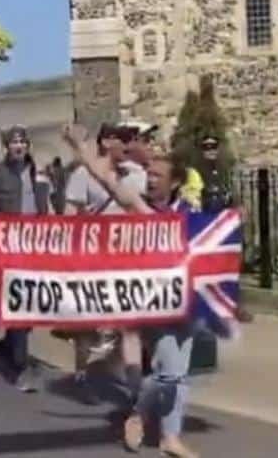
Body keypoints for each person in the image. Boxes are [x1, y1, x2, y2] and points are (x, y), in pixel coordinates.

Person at [64, 125, 200, 458]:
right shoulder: (143, 208)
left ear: (176, 183)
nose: (151, 180)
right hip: (152, 300)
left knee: (179, 376)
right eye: (149, 174)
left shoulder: (189, 211)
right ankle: (139, 412)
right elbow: (108, 181)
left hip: (185, 300)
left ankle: (171, 438)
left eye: (158, 176)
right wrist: (81, 150)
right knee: (168, 374)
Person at [64, 123, 148, 408]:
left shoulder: (136, 175)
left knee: (131, 325)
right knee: (87, 324)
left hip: (126, 259)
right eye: (122, 139)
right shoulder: (82, 175)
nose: (128, 145)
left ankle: (134, 388)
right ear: (106, 142)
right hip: (93, 257)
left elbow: (140, 209)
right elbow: (68, 219)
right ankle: (82, 374)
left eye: (130, 139)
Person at [0, 126, 51, 393]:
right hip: (10, 247)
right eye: (14, 142)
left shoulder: (38, 172)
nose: (18, 146)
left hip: (35, 246)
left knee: (32, 306)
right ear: (7, 146)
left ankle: (9, 345)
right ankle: (19, 366)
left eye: (22, 142)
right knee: (19, 305)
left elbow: (48, 206)